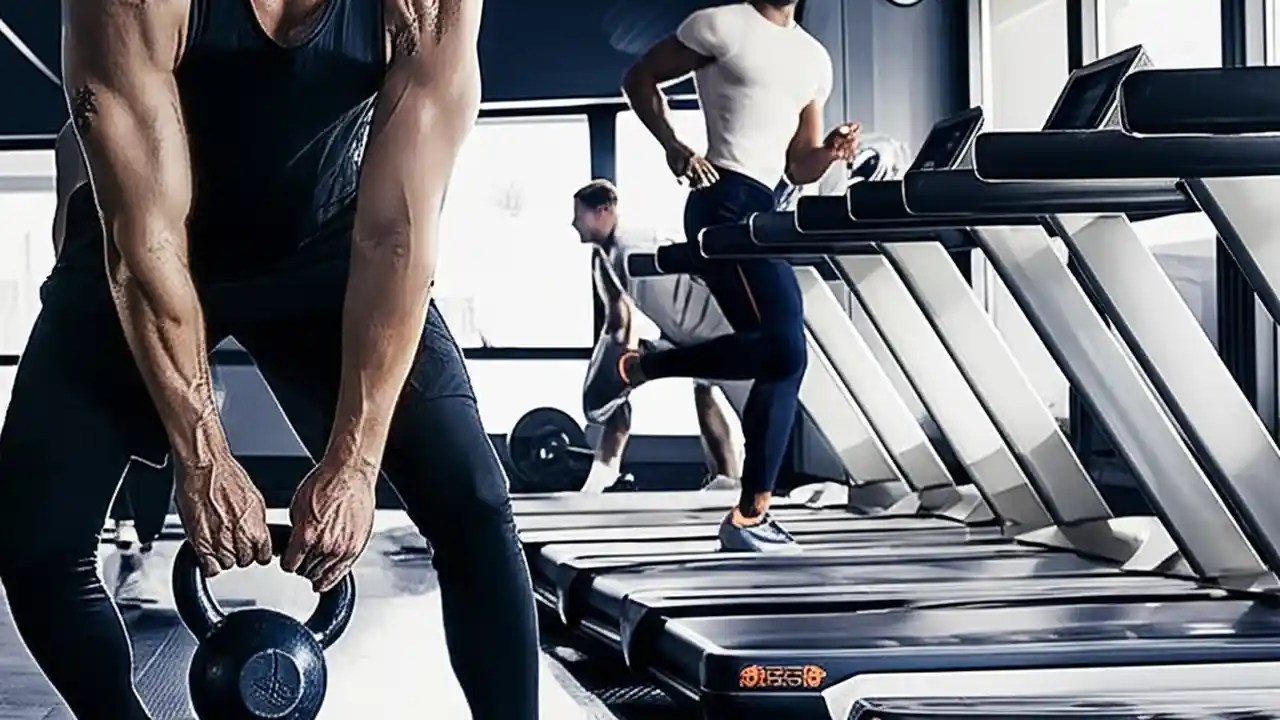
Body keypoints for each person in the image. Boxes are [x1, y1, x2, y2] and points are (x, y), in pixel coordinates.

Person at [0, 1, 538, 719]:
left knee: (473, 505)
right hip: (139, 243)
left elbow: (396, 235)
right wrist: (201, 457)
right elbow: (147, 240)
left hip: (327, 248)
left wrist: (356, 461)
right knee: (35, 542)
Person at [586, 0, 860, 553]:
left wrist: (830, 152)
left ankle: (645, 370)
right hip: (721, 198)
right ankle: (750, 514)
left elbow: (796, 163)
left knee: (776, 355)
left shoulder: (814, 58)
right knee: (786, 352)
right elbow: (638, 78)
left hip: (767, 206)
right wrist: (674, 146)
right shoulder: (722, 24)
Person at [55, 122, 194, 608]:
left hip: (156, 298)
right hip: (105, 300)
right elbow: (69, 219)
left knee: (161, 438)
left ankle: (143, 551)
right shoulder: (76, 135)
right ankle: (132, 549)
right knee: (122, 436)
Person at [572, 179, 746, 493]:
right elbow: (617, 317)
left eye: (579, 215)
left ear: (602, 211)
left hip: (719, 331)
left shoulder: (635, 244)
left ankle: (749, 490)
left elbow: (620, 324)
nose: (573, 223)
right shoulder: (606, 256)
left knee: (751, 414)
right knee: (704, 393)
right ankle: (726, 479)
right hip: (686, 336)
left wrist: (628, 368)